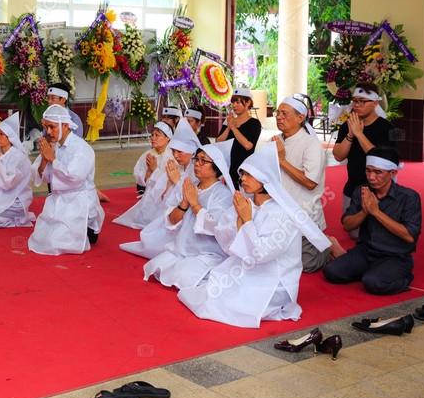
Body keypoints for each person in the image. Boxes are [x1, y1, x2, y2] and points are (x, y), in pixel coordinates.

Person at [178, 143, 332, 328]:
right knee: (209, 294)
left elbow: (262, 254)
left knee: (227, 305)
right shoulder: (247, 203)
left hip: (274, 279)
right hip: (249, 269)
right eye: (242, 174)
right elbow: (224, 239)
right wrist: (240, 221)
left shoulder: (282, 214)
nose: (243, 179)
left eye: (249, 174)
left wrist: (246, 220)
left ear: (265, 179)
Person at [323, 146, 421, 295]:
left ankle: (403, 277)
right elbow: (347, 225)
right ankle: (370, 271)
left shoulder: (409, 197)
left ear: (392, 173)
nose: (371, 177)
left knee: (373, 283)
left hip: (395, 256)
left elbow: (409, 236)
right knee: (332, 272)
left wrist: (376, 212)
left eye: (378, 172)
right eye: (368, 171)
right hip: (366, 251)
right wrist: (364, 211)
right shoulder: (362, 191)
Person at [143, 140, 235, 290]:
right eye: (196, 159)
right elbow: (171, 220)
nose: (197, 164)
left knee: (183, 276)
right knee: (156, 266)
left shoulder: (222, 194)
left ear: (217, 167)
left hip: (208, 253)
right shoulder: (189, 185)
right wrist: (184, 204)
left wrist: (195, 204)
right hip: (182, 248)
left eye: (203, 161)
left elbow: (217, 227)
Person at [119, 118, 201, 259]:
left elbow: (192, 192)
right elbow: (160, 182)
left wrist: (172, 181)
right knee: (150, 234)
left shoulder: (196, 168)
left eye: (180, 152)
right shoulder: (152, 155)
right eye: (175, 151)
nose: (176, 155)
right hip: (170, 204)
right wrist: (154, 174)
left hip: (189, 213)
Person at [29, 105, 104, 255]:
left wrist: (53, 159)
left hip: (79, 202)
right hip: (58, 200)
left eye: (52, 127)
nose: (48, 132)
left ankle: (88, 231)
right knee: (41, 237)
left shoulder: (82, 148)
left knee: (54, 242)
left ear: (65, 125)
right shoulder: (53, 145)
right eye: (46, 127)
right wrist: (45, 159)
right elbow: (39, 176)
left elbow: (75, 177)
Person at [273, 95, 335, 272]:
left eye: (284, 114)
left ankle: (328, 245)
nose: (279, 117)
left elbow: (310, 183)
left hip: (304, 212)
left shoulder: (311, 144)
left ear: (300, 118)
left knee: (307, 266)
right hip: (279, 212)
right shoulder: (277, 140)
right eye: (278, 113)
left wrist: (282, 161)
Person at [332, 83, 394, 232]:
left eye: (362, 101)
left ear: (375, 103)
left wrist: (360, 134)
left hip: (379, 189)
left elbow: (382, 160)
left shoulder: (387, 128)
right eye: (355, 101)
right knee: (353, 232)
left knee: (378, 233)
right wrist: (351, 134)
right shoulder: (347, 126)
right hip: (353, 186)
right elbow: (338, 156)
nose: (357, 105)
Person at [113, 122, 174, 228]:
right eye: (152, 135)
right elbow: (140, 179)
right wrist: (149, 172)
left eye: (157, 135)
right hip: (149, 195)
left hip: (166, 196)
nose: (153, 138)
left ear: (168, 138)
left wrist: (155, 169)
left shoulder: (172, 156)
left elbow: (171, 181)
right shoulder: (148, 154)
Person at [215, 88, 261, 188]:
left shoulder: (254, 123)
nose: (234, 105)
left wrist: (233, 128)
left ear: (248, 102)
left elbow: (248, 145)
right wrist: (228, 126)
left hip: (242, 169)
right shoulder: (229, 121)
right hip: (226, 167)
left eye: (238, 102)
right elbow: (218, 141)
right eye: (233, 102)